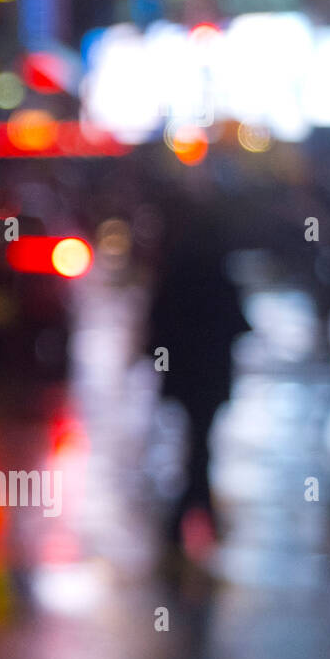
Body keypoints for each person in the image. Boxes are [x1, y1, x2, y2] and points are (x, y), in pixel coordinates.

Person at [146, 200, 249, 551]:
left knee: (197, 440)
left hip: (190, 375)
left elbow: (157, 325)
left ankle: (191, 509)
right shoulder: (219, 274)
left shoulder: (177, 270)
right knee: (201, 440)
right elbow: (238, 324)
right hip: (208, 375)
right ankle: (195, 508)